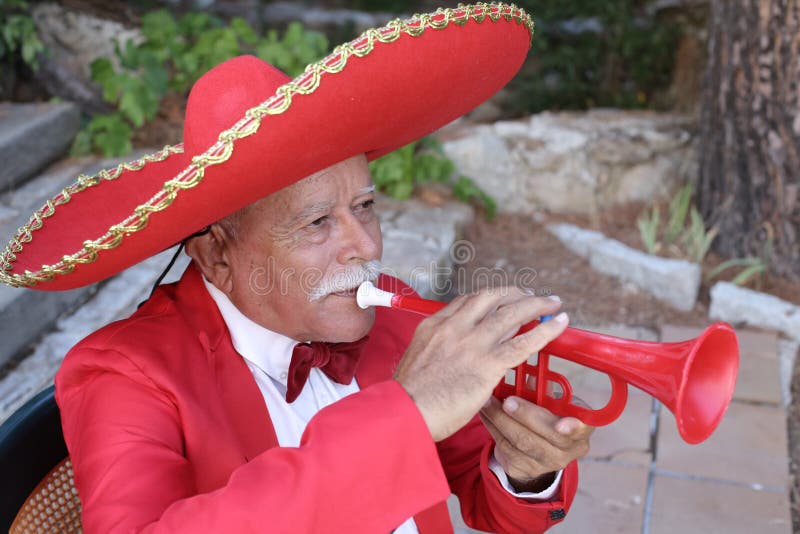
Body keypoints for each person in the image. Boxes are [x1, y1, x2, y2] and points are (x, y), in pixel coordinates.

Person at [1, 4, 593, 533]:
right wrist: (403, 417)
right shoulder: (125, 373)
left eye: (364, 207)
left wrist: (524, 469)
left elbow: (488, 499)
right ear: (217, 254)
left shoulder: (387, 311)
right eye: (317, 224)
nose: (364, 246)